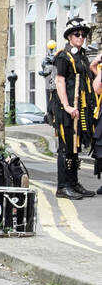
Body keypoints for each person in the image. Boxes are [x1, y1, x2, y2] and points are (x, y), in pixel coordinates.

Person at [52, 16, 95, 199]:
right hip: (65, 109)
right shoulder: (63, 55)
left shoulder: (82, 56)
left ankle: (74, 183)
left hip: (81, 108)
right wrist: (67, 106)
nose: (80, 37)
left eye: (83, 34)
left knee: (75, 146)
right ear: (69, 36)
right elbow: (60, 81)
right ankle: (63, 186)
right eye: (77, 34)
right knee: (66, 147)